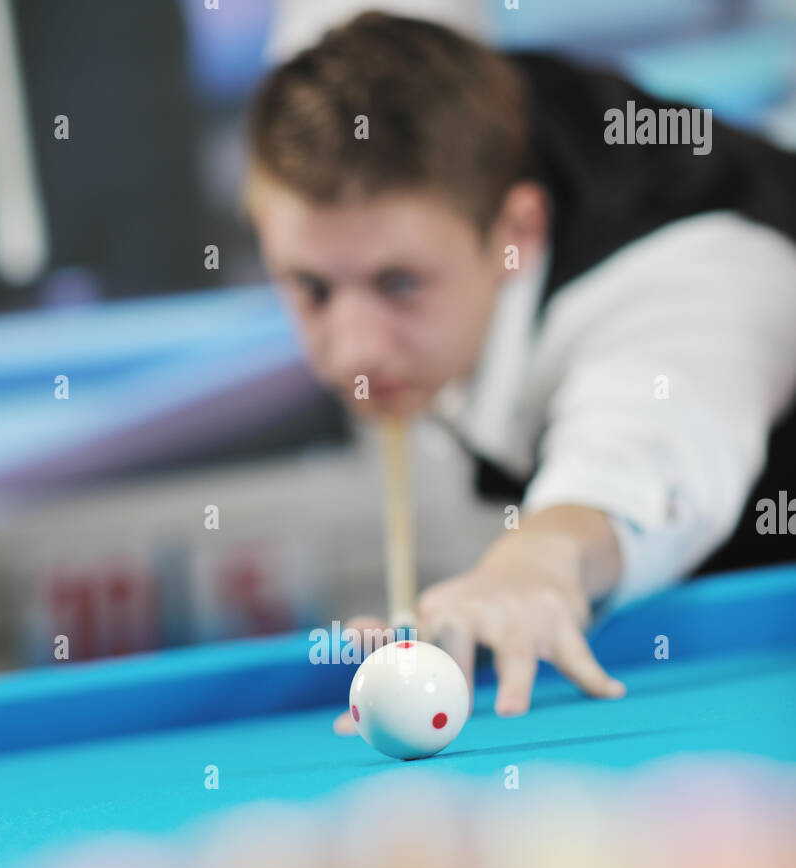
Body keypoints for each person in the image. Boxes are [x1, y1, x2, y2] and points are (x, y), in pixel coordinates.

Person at [244, 9, 796, 718]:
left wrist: (527, 568)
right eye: (312, 288)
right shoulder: (356, 97)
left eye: (400, 284)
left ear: (517, 233)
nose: (356, 352)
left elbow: (629, 468)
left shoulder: (689, 288)